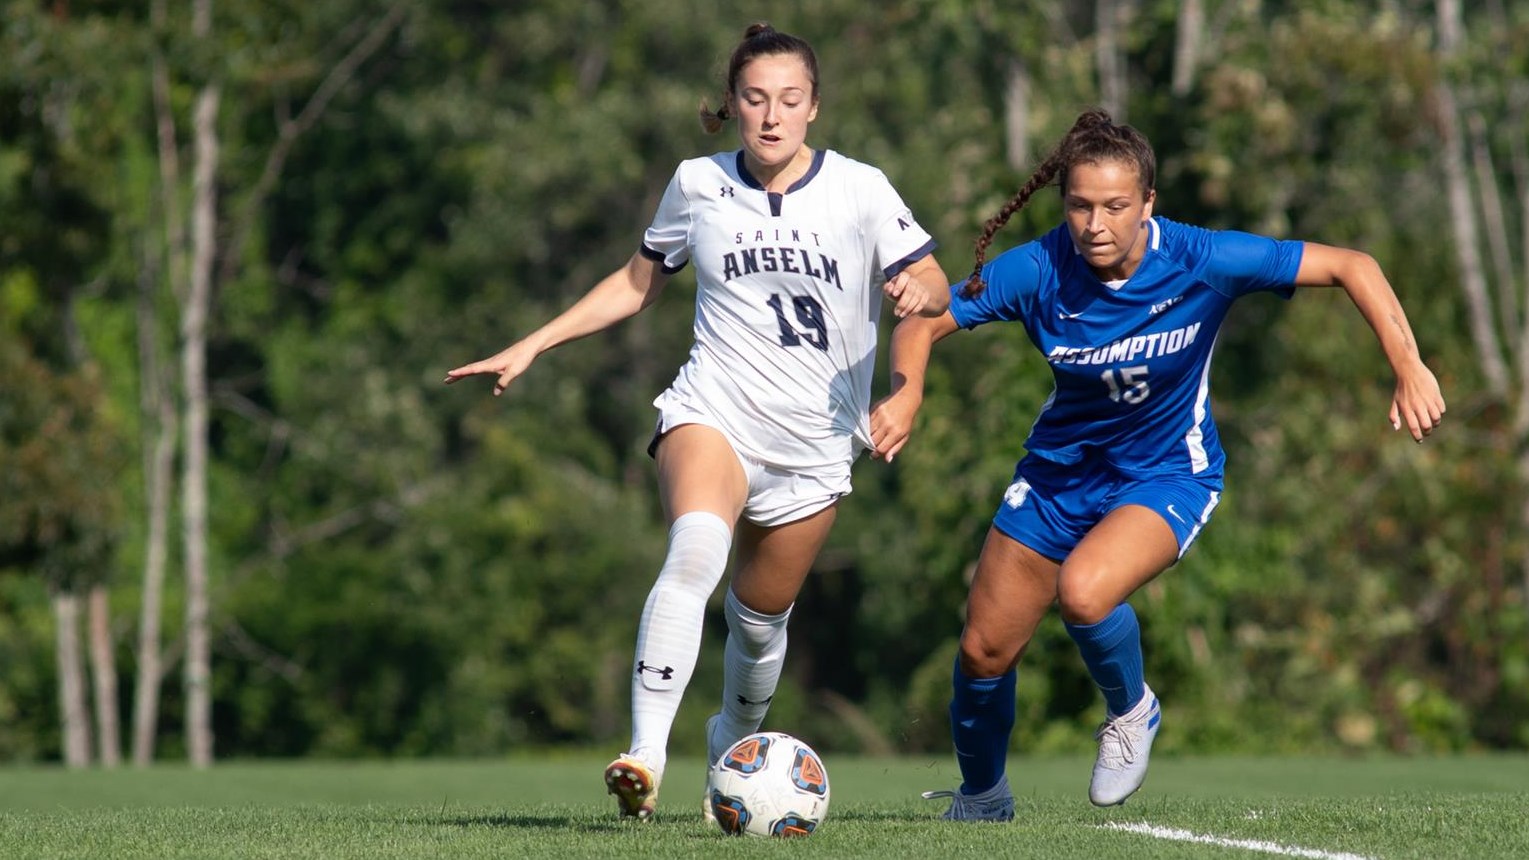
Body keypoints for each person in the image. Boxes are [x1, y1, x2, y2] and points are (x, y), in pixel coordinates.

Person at [869, 109, 1445, 819]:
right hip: (1056, 481)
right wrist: (908, 392)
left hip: (1166, 474)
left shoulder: (1204, 259)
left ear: (1148, 203)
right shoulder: (1038, 268)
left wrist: (1408, 365)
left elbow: (1351, 265)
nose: (1095, 224)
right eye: (1079, 205)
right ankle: (983, 799)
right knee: (984, 652)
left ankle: (1130, 711)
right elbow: (924, 319)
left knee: (1084, 592)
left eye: (1115, 206)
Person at [444, 22, 950, 821]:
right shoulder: (697, 183)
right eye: (754, 99)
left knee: (757, 626)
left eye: (788, 99)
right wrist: (533, 343)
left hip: (814, 447)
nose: (771, 116)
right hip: (711, 409)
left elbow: (930, 279)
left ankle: (731, 738)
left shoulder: (861, 188)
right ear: (732, 106)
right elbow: (635, 281)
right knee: (694, 551)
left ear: (814, 106)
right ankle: (643, 756)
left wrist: (919, 322)